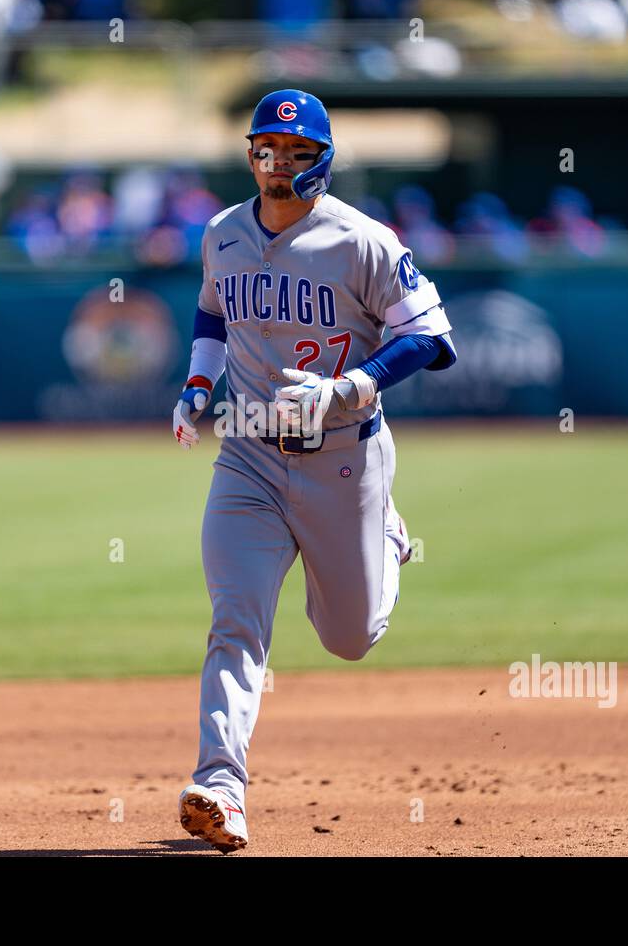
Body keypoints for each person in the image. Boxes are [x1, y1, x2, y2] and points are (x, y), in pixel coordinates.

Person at [170, 89, 457, 852]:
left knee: (350, 638)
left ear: (324, 159)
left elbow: (430, 335)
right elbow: (212, 312)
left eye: (299, 152)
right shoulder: (223, 233)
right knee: (236, 623)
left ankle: (386, 535)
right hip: (249, 457)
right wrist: (198, 383)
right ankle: (221, 788)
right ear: (251, 155)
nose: (281, 163)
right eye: (269, 149)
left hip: (345, 461)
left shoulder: (362, 241)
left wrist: (351, 387)